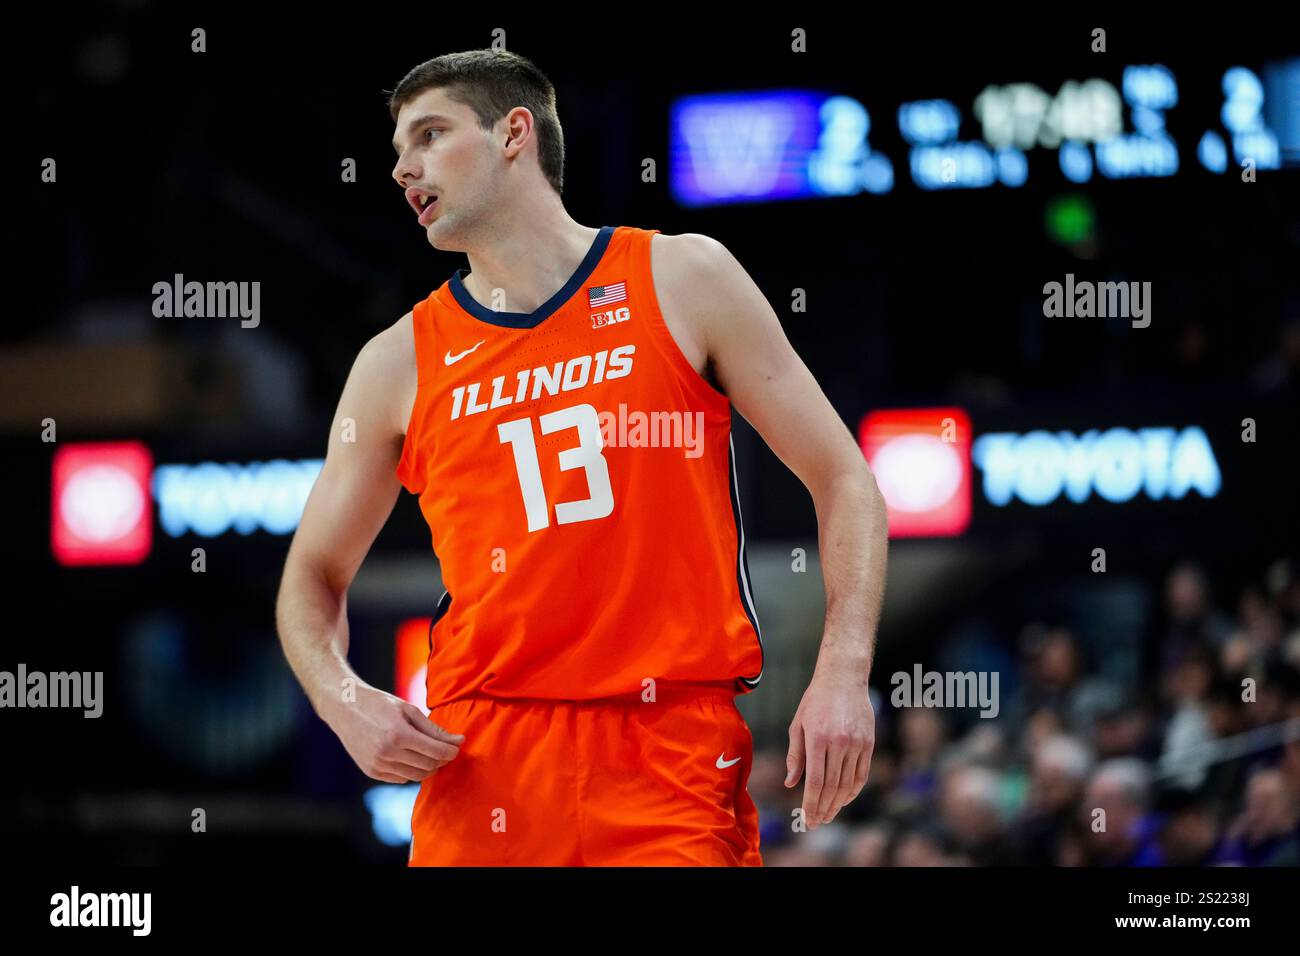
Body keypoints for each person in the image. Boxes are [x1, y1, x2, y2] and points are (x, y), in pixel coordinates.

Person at [276, 48, 888, 865]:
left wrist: (842, 673)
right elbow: (309, 576)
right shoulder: (397, 360)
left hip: (667, 751)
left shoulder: (682, 275)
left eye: (429, 135)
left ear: (513, 134)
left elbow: (843, 476)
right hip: (482, 757)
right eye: (396, 151)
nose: (403, 168)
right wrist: (341, 697)